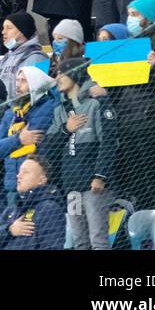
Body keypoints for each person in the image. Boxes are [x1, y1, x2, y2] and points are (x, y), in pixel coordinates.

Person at [48, 59, 117, 250]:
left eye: (62, 73)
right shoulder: (59, 110)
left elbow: (109, 141)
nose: (58, 78)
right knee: (79, 242)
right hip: (71, 188)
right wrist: (65, 129)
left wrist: (100, 176)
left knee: (98, 240)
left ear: (75, 74)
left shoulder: (97, 104)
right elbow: (48, 147)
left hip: (93, 186)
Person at [0, 66, 58, 200]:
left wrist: (9, 144)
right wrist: (18, 139)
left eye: (23, 81)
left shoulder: (48, 107)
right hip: (12, 186)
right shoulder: (11, 113)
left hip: (37, 186)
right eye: (17, 81)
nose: (18, 86)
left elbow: (33, 138)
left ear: (35, 84)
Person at [0, 155, 67, 249]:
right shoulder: (12, 209)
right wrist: (9, 230)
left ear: (42, 180)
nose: (18, 176)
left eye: (25, 172)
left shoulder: (49, 208)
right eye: (19, 172)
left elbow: (51, 246)